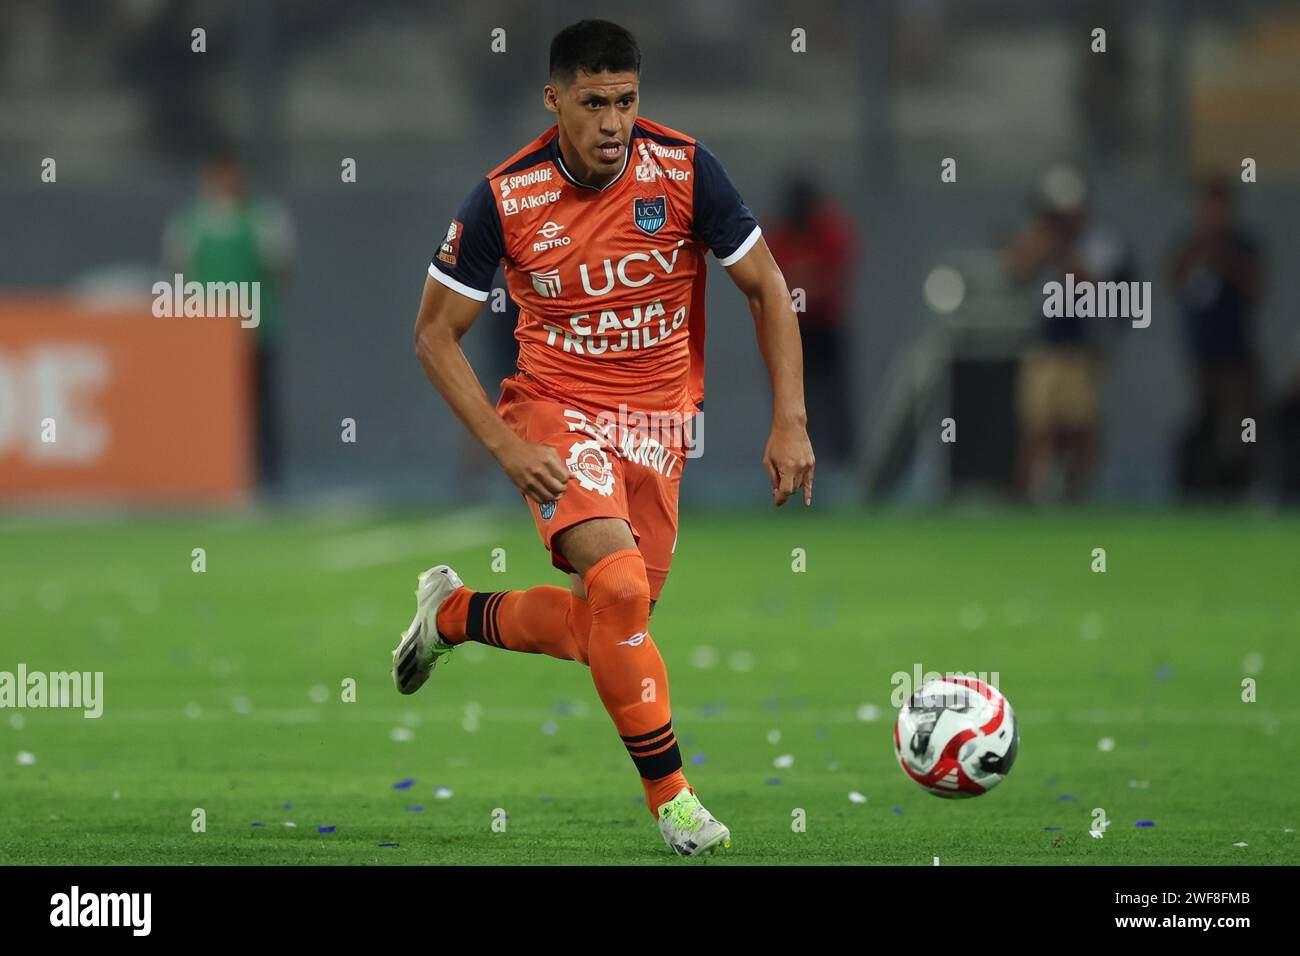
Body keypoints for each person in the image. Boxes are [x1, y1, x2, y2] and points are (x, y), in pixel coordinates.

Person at [392, 20, 814, 857]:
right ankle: (675, 801)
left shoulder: (687, 169)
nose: (613, 121)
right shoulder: (505, 198)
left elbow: (766, 286)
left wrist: (790, 417)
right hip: (556, 411)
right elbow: (434, 334)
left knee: (608, 626)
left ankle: (453, 613)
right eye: (593, 103)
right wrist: (507, 447)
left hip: (658, 428)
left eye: (625, 101)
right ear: (555, 103)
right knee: (618, 592)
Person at [162, 148, 295, 490]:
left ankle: (268, 477)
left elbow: (279, 268)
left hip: (255, 328)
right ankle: (204, 473)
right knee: (205, 407)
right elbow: (179, 272)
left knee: (260, 405)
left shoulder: (264, 218)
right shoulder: (188, 224)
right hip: (204, 334)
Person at [1004, 165, 1133, 502]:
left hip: (1084, 348)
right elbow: (1017, 271)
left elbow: (1099, 292)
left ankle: (1077, 496)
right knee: (1037, 425)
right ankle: (1029, 495)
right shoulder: (1038, 240)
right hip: (1045, 347)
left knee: (1080, 428)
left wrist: (1061, 254)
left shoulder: (1102, 245)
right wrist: (1040, 248)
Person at [1169, 175, 1264, 501]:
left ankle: (1244, 485)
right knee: (1204, 422)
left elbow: (1257, 289)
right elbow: (1172, 279)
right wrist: (1201, 250)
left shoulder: (1243, 245)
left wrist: (1223, 257)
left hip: (1236, 352)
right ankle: (1203, 490)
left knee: (1241, 424)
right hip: (1201, 353)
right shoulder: (1191, 244)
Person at [764, 174, 858, 467]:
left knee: (834, 396)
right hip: (791, 330)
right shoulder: (779, 233)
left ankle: (845, 464)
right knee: (793, 396)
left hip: (825, 327)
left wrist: (802, 285)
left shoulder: (829, 230)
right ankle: (797, 460)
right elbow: (772, 280)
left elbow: (833, 276)